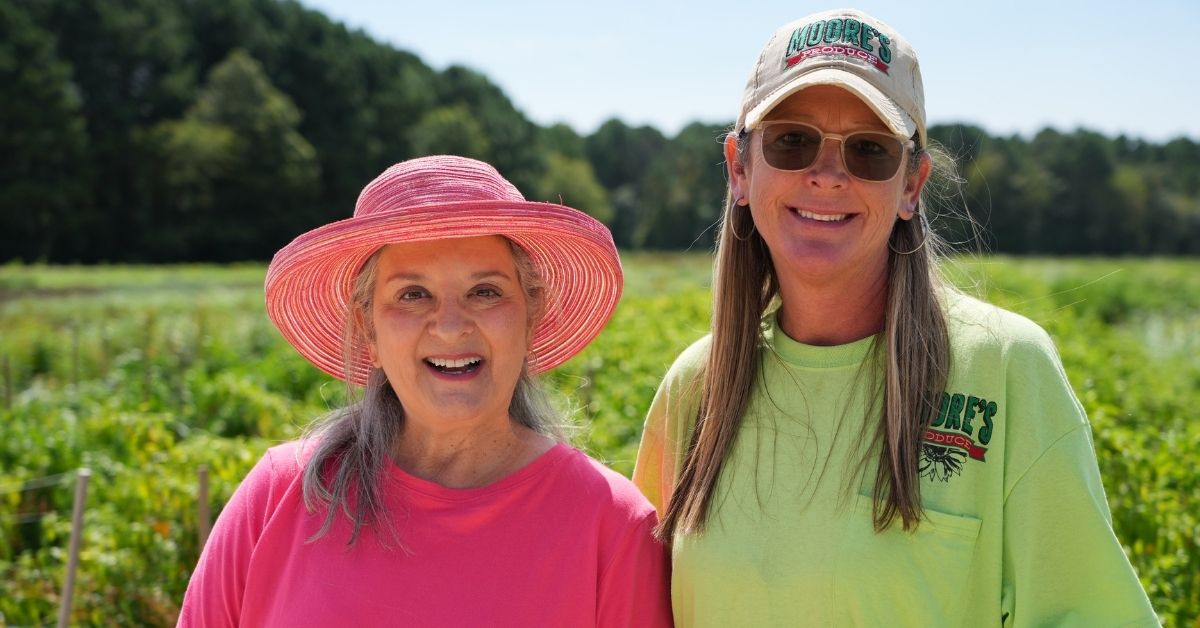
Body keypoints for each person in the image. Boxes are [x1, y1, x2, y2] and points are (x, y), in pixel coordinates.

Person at [633, 8, 1158, 627]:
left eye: (869, 150)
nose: (828, 176)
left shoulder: (1003, 368)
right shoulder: (695, 389)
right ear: (739, 168)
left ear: (912, 184)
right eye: (792, 140)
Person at [179, 156, 673, 626]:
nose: (451, 326)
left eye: (485, 291)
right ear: (367, 330)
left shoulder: (610, 524)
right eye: (412, 294)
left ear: (532, 315)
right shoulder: (278, 496)